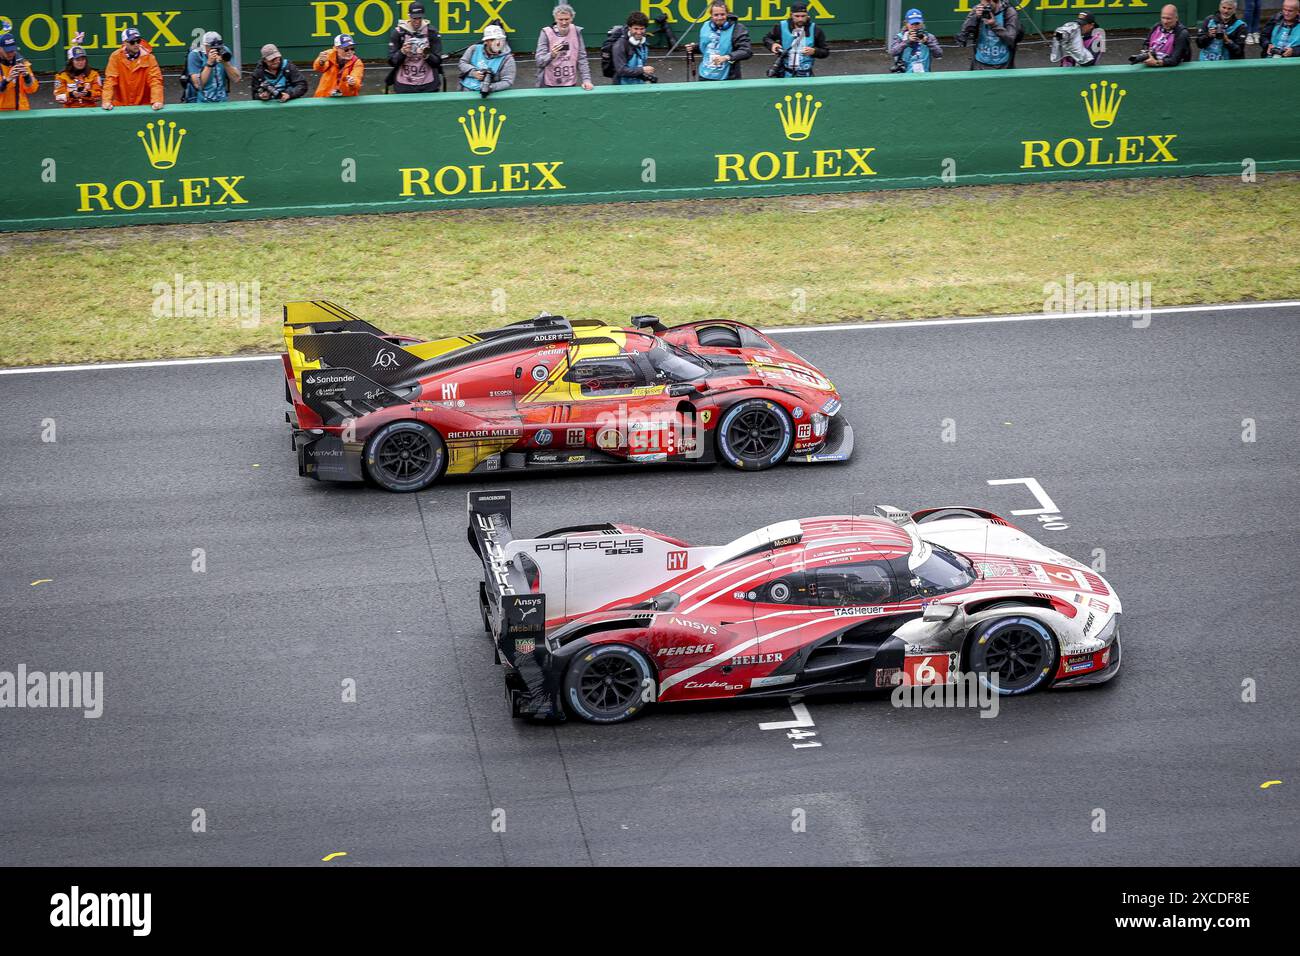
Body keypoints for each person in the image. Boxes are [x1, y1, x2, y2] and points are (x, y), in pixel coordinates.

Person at [684, 2, 752, 80]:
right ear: (711, 16)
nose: (719, 17)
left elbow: (746, 51)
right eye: (716, 15)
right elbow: (707, 47)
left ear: (727, 14)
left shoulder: (738, 28)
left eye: (722, 14)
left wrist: (727, 57)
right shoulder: (706, 26)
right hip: (705, 74)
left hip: (728, 77)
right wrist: (694, 47)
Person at [102, 27, 164, 110]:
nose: (136, 44)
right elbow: (110, 80)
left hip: (145, 106)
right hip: (121, 106)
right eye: (132, 42)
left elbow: (155, 80)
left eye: (138, 41)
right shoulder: (115, 57)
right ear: (124, 43)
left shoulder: (150, 58)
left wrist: (157, 100)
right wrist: (106, 101)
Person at [388, 1, 443, 93]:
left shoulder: (432, 32)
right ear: (409, 15)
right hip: (404, 85)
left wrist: (426, 54)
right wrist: (402, 52)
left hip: (428, 85)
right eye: (414, 18)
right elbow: (392, 62)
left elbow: (438, 62)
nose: (417, 21)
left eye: (419, 18)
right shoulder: (398, 33)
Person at [763, 2, 829, 78]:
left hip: (806, 74)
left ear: (807, 15)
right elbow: (767, 38)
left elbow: (825, 51)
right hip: (785, 74)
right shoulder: (781, 27)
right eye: (797, 16)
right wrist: (772, 45)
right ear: (791, 15)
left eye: (803, 16)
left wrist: (814, 51)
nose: (800, 19)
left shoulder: (815, 29)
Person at [537, 4, 593, 89]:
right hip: (548, 83)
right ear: (555, 19)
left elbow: (582, 58)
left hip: (570, 82)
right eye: (560, 19)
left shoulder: (576, 31)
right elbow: (539, 62)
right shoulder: (546, 33)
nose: (564, 22)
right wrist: (551, 55)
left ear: (572, 18)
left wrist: (586, 80)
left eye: (567, 19)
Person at [961, 0, 1021, 69]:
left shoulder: (1009, 12)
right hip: (979, 62)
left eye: (987, 6)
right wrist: (975, 17)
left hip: (1004, 64)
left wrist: (994, 25)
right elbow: (964, 32)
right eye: (982, 4)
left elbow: (1011, 38)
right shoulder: (978, 9)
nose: (984, 8)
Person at [460, 23, 516, 94]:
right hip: (466, 89)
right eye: (492, 40)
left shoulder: (508, 59)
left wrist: (489, 87)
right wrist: (473, 73)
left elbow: (508, 81)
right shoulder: (473, 49)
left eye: (499, 39)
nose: (497, 43)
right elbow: (462, 63)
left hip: (491, 95)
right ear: (485, 41)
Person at [185, 31, 239, 103]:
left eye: (218, 48)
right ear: (205, 46)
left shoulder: (225, 51)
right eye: (213, 48)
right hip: (202, 102)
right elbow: (198, 85)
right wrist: (209, 64)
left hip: (223, 100)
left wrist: (225, 63)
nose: (216, 50)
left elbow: (236, 78)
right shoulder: (195, 55)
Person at [888, 8, 942, 73]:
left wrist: (927, 42)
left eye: (917, 23)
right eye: (912, 24)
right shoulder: (900, 37)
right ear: (906, 24)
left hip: (924, 75)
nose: (915, 26)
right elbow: (893, 52)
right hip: (904, 75)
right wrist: (907, 41)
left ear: (922, 23)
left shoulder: (929, 37)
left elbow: (938, 54)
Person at [610, 11, 656, 84]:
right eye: (636, 28)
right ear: (629, 28)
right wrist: (642, 70)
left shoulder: (643, 43)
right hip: (622, 88)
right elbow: (621, 70)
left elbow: (639, 66)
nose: (639, 32)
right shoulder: (620, 45)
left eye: (642, 29)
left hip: (638, 86)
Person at [0, 33, 38, 111]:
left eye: (12, 50)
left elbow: (32, 90)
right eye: (7, 51)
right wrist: (6, 81)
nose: (11, 53)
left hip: (21, 111)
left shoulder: (22, 63)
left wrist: (27, 77)